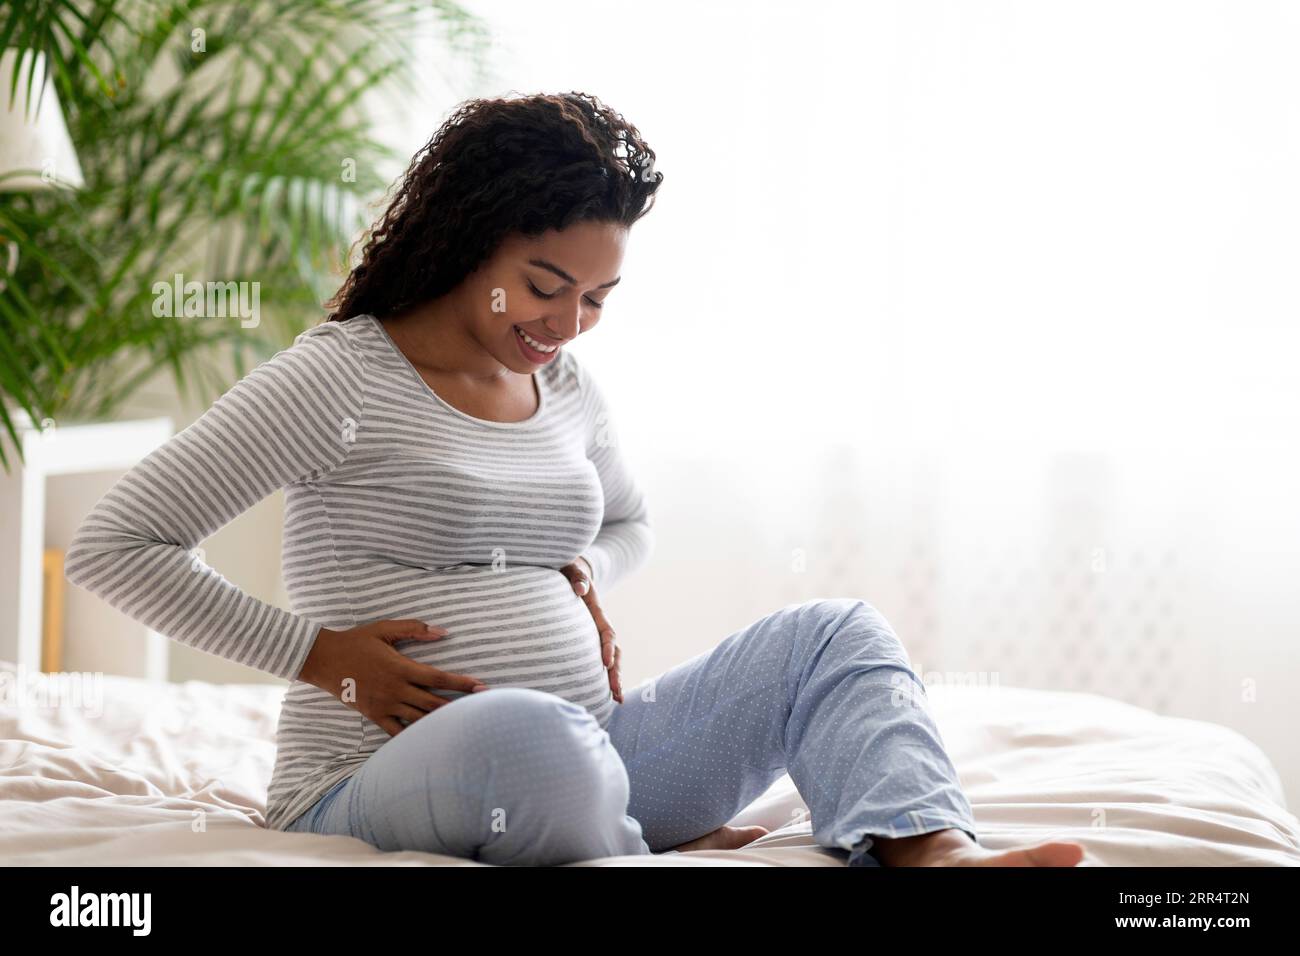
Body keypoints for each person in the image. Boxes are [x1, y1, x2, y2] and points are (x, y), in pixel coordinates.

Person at [66, 91, 1084, 867]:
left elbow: (629, 522)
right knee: (537, 739)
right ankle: (629, 837)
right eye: (545, 286)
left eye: (597, 298)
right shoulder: (340, 375)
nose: (563, 325)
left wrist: (583, 570)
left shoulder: (566, 384)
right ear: (466, 237)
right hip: (372, 775)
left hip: (592, 751)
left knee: (837, 633)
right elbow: (121, 544)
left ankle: (930, 852)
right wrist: (323, 654)